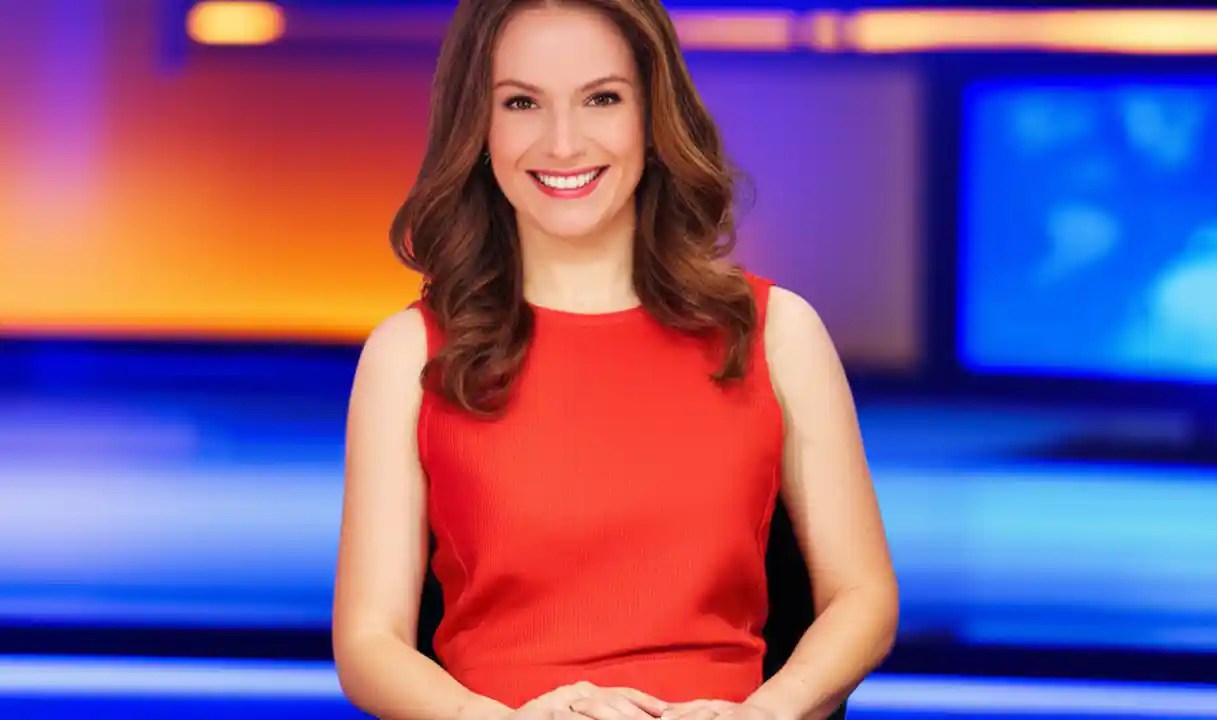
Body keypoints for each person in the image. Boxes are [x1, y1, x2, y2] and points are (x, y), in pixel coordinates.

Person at [332, 1, 898, 719]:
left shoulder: (778, 331)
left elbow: (864, 599)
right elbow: (368, 642)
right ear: (478, 126)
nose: (564, 143)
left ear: (652, 119)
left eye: (602, 98)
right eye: (521, 103)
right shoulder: (407, 354)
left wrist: (763, 715)